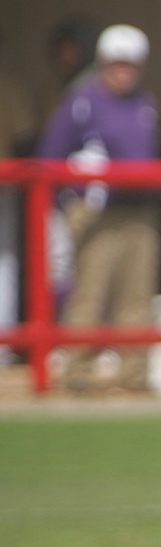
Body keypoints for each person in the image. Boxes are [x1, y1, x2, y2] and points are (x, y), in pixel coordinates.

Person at [35, 24, 161, 391]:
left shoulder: (145, 102)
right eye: (116, 64)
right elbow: (50, 156)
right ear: (103, 63)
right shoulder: (82, 100)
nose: (124, 72)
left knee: (137, 294)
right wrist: (72, 202)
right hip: (97, 211)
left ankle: (134, 372)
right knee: (90, 290)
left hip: (139, 210)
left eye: (131, 64)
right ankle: (76, 369)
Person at [0, 23, 41, 366]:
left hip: (4, 183)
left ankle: (4, 345)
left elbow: (28, 141)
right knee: (4, 263)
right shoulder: (8, 86)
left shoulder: (8, 87)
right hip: (5, 184)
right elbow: (26, 140)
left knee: (5, 263)